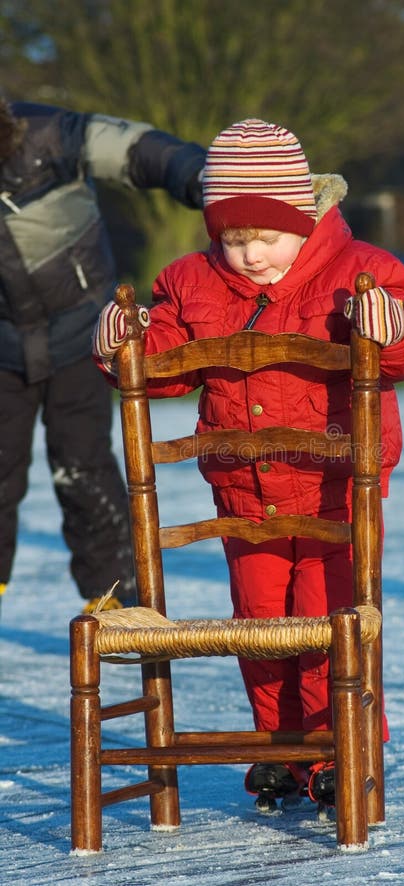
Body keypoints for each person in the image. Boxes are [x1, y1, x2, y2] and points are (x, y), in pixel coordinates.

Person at [93, 118, 404, 809]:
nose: (249, 256)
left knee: (324, 625)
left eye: (266, 237)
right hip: (243, 497)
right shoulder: (194, 283)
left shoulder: (356, 272)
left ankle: (337, 749)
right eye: (232, 238)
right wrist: (126, 340)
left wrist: (388, 321)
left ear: (303, 221)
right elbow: (162, 362)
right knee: (259, 628)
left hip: (335, 497)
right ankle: (279, 744)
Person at [0, 97, 206, 613]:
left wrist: (204, 178)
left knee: (81, 463)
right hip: (4, 346)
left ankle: (114, 598)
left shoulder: (46, 133)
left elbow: (137, 149)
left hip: (80, 330)